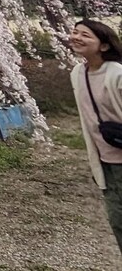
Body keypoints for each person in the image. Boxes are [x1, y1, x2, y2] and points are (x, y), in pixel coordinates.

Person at [70, 18, 122, 254]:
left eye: (85, 35)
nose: (76, 37)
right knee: (117, 221)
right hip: (103, 160)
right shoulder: (77, 73)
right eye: (75, 32)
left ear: (104, 45)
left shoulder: (117, 73)